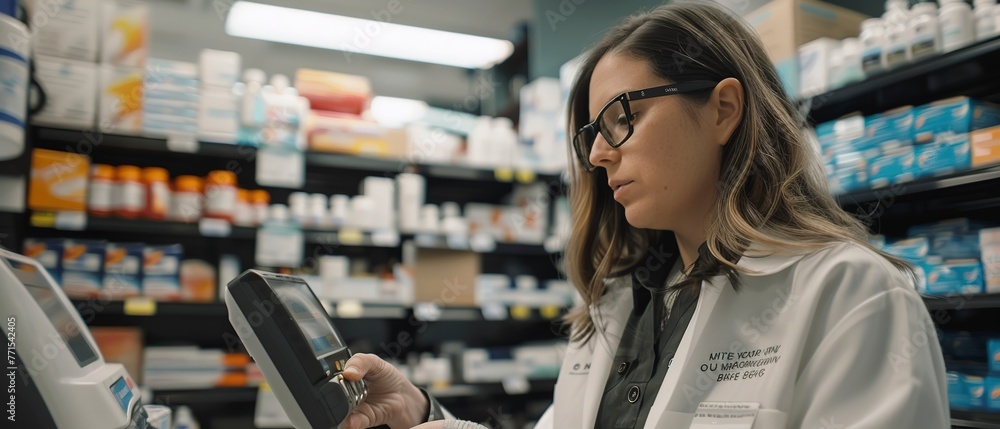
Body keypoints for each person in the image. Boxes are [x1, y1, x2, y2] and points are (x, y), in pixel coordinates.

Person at [340, 2, 950, 428]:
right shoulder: (618, 307)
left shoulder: (852, 294)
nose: (600, 154)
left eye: (621, 118)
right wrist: (424, 413)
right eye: (591, 134)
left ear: (724, 109)